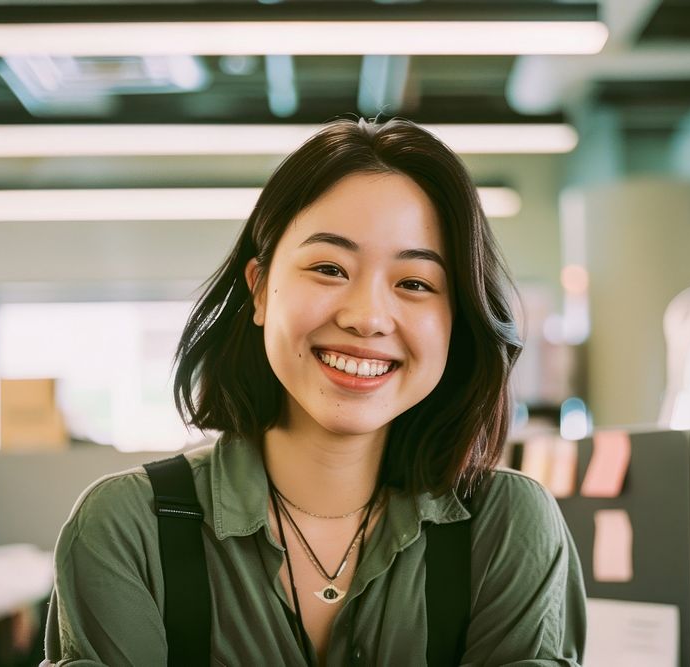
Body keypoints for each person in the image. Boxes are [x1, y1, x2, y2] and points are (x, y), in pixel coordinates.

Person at [43, 118, 586, 666]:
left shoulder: (505, 527)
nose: (368, 317)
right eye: (329, 268)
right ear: (259, 290)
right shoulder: (127, 529)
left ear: (456, 320)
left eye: (415, 283)